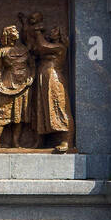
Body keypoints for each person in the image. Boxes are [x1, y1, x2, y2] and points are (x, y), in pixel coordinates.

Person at [28, 15, 74, 152]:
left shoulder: (59, 47)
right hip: (42, 79)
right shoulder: (49, 45)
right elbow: (36, 48)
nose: (50, 32)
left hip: (53, 79)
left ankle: (66, 140)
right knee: (41, 109)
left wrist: (37, 32)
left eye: (54, 30)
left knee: (59, 107)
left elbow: (43, 46)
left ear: (60, 34)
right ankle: (40, 139)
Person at [0, 23, 34, 150]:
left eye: (16, 31)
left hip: (23, 85)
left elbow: (32, 66)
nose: (16, 33)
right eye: (13, 31)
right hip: (8, 83)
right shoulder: (2, 51)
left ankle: (16, 142)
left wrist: (32, 76)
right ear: (8, 35)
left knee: (18, 115)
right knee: (2, 112)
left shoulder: (25, 50)